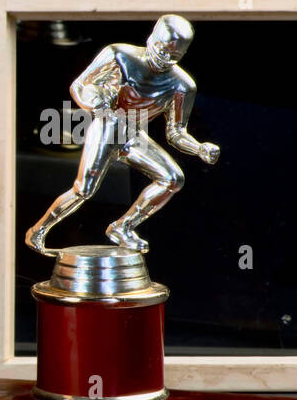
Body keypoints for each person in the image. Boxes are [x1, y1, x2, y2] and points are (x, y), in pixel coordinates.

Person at [26, 15, 220, 254]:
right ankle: (38, 230)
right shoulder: (119, 55)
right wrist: (95, 103)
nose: (165, 59)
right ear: (151, 39)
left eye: (174, 56)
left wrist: (199, 148)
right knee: (83, 190)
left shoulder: (182, 85)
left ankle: (122, 226)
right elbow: (79, 85)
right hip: (107, 125)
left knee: (172, 179)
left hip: (134, 134)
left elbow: (176, 133)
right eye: (162, 50)